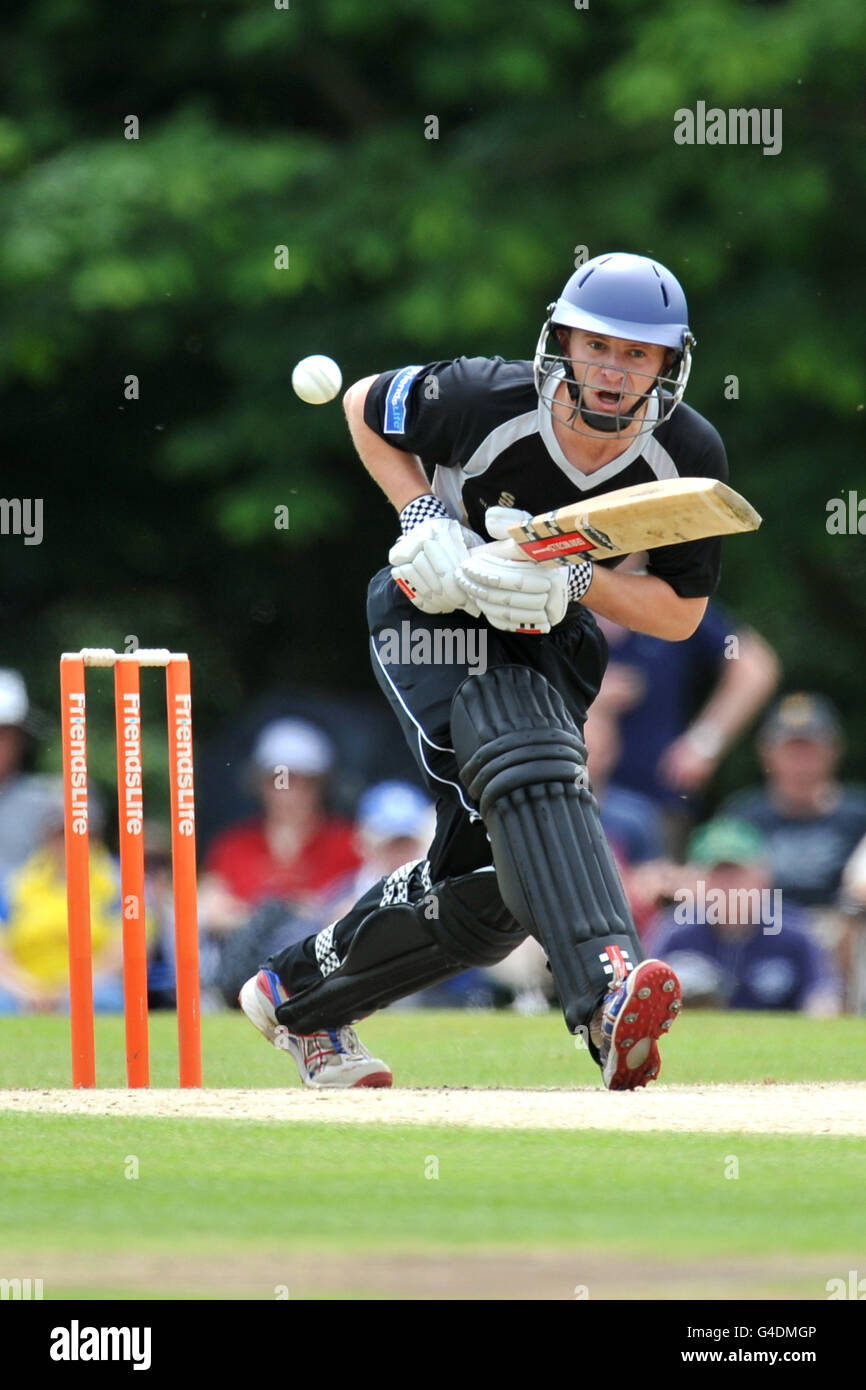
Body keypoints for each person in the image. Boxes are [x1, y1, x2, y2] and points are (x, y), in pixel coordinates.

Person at [240, 250, 732, 1090]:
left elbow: (679, 614)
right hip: (431, 614)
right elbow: (363, 405)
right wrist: (423, 511)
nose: (614, 372)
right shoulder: (481, 395)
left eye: (637, 355)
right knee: (526, 755)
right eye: (598, 347)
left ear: (667, 365)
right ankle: (610, 990)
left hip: (551, 627)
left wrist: (577, 576)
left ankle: (297, 993)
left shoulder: (687, 448)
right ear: (563, 343)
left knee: (487, 892)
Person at [646, 819, 842, 1014]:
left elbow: (822, 996)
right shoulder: (675, 931)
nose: (727, 886)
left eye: (737, 875)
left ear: (763, 877)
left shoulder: (793, 930)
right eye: (717, 875)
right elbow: (644, 992)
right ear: (696, 881)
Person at [198, 717, 361, 933]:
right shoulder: (233, 844)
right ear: (259, 784)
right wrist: (287, 916)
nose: (290, 793)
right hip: (248, 963)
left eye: (305, 782)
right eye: (280, 781)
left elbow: (362, 906)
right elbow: (210, 912)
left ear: (323, 785)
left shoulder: (351, 842)